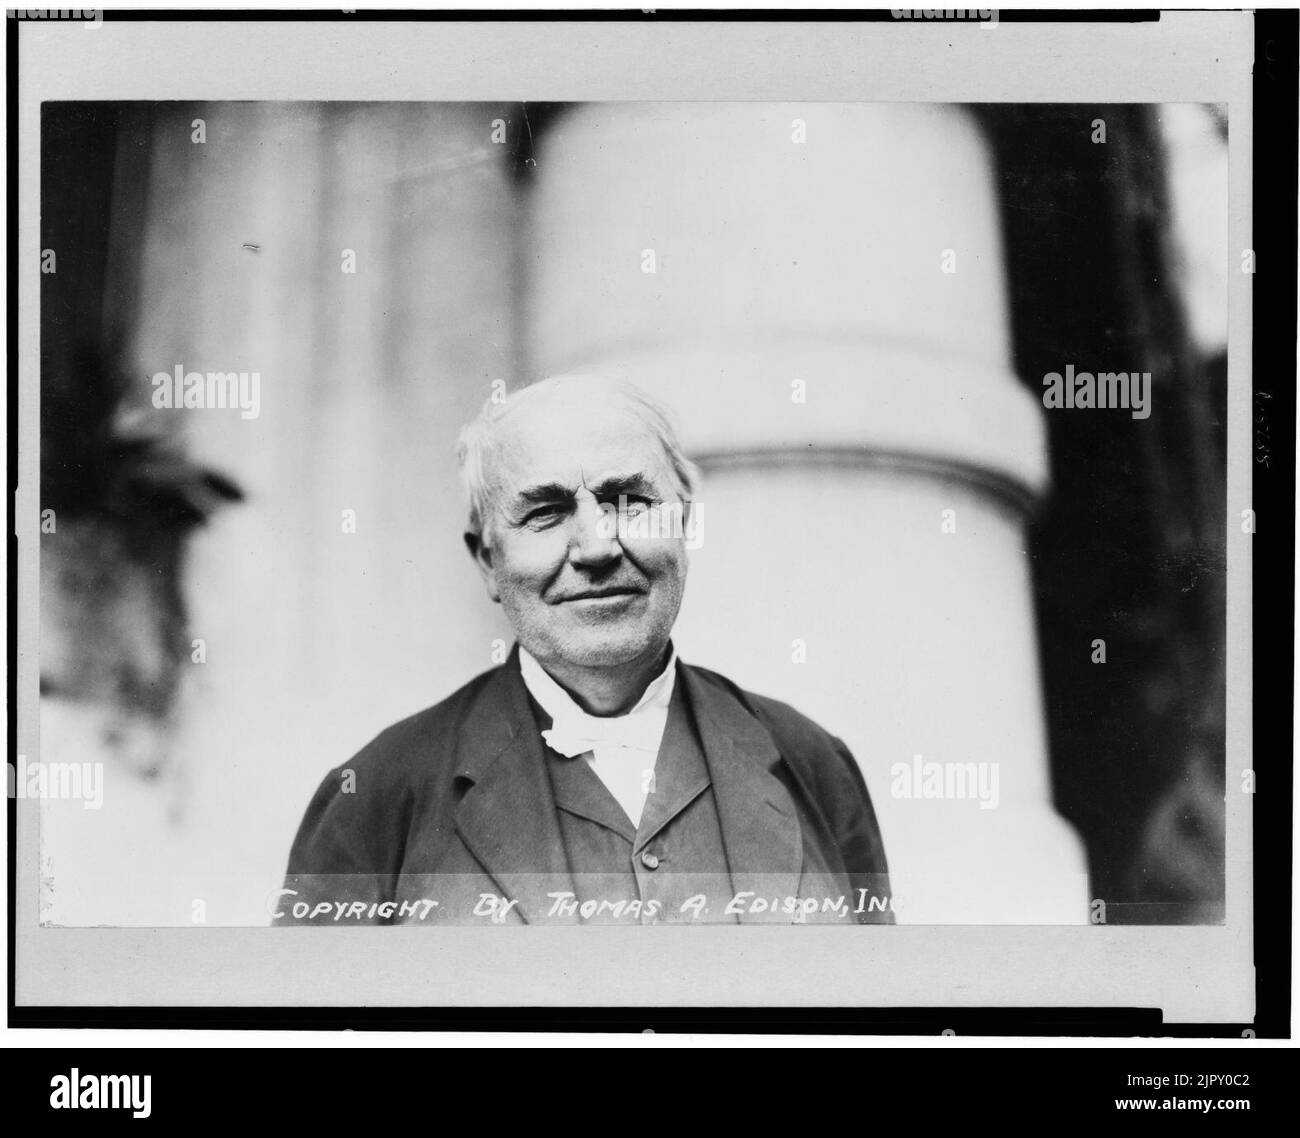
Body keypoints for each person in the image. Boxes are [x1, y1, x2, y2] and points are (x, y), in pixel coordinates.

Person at [277, 375, 892, 926]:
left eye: (631, 502)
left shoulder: (814, 763)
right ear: (488, 560)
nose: (597, 547)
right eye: (545, 514)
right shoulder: (379, 794)